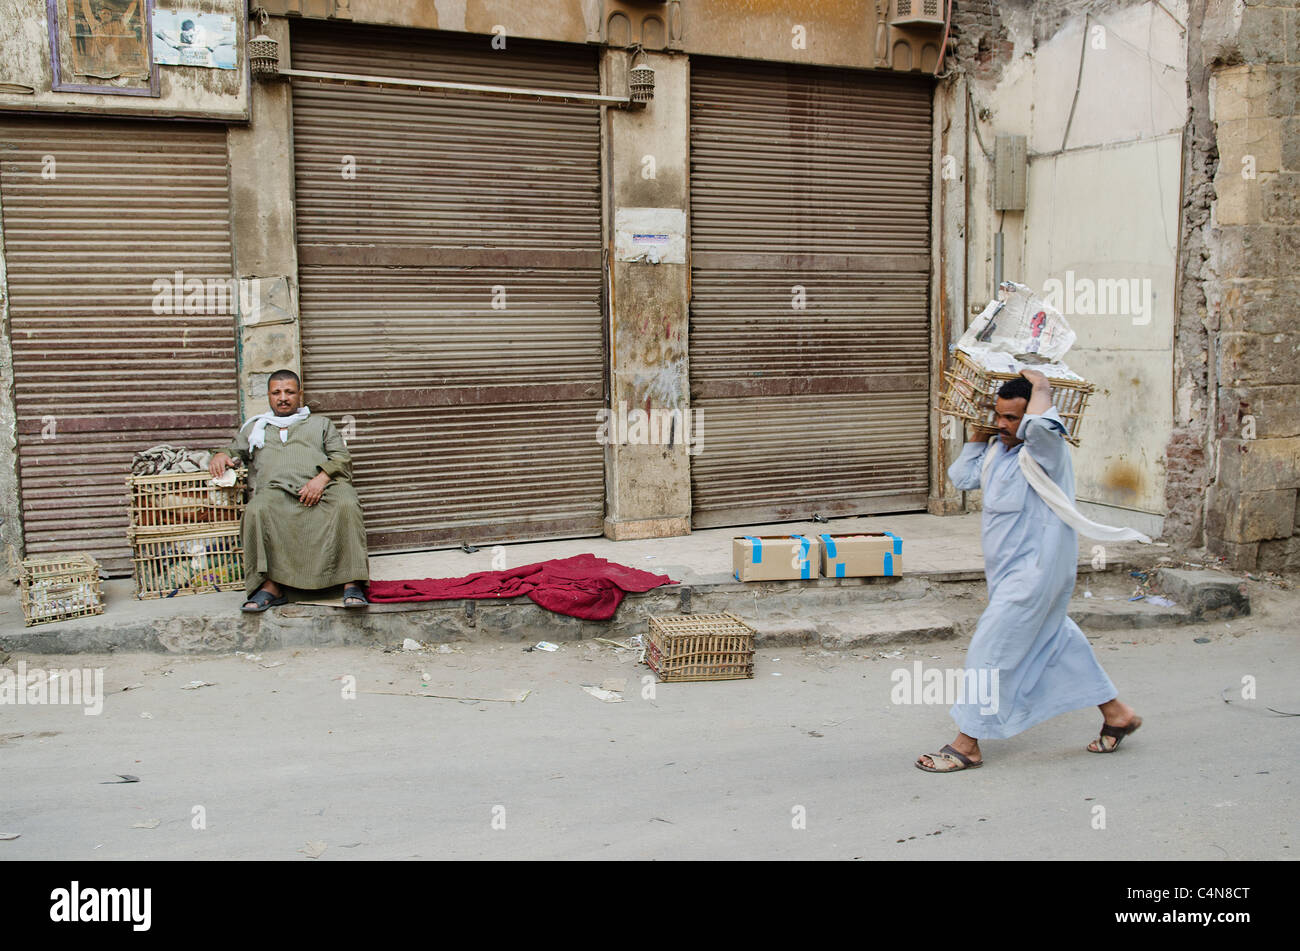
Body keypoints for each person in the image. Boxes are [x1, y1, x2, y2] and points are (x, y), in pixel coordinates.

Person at [916, 368, 1142, 771]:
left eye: (1012, 418)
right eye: (998, 416)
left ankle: (967, 743)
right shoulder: (999, 452)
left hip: (1036, 576)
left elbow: (1039, 429)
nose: (1003, 425)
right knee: (1058, 643)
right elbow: (961, 476)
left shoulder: (1046, 452)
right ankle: (1117, 713)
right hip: (1008, 575)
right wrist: (982, 433)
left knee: (990, 651)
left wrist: (1040, 386)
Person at [209, 370, 370, 612]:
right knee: (257, 509)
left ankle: (351, 582)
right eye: (276, 393)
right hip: (277, 492)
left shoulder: (320, 424)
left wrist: (322, 479)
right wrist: (221, 455)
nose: (283, 398)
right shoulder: (256, 428)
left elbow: (342, 458)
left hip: (323, 487)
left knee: (346, 503)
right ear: (269, 396)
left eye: (289, 392)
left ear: (300, 395)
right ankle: (270, 586)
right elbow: (233, 451)